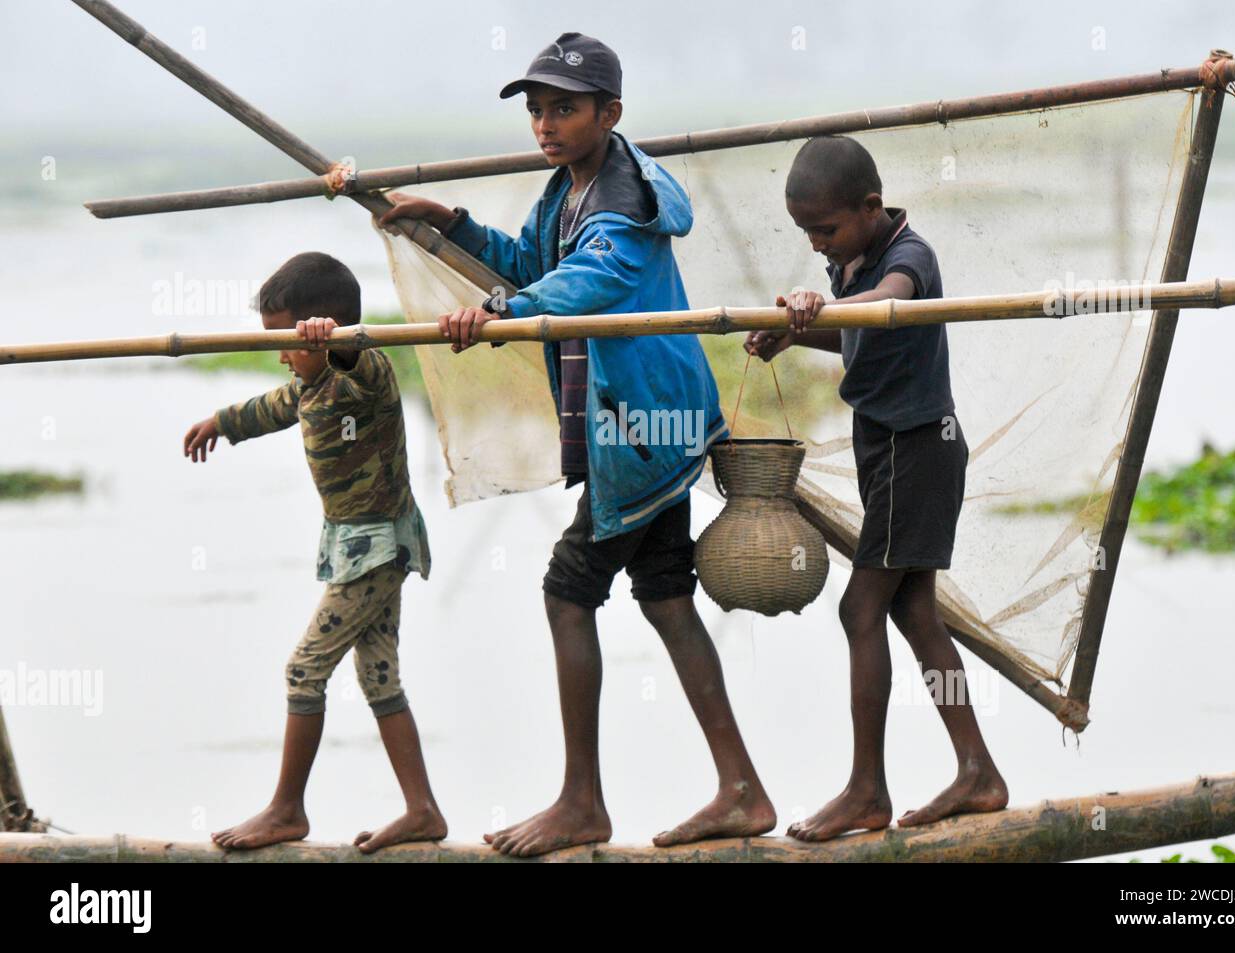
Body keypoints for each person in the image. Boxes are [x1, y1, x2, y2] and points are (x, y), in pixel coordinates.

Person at [379, 33, 774, 857]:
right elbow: (530, 263)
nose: (546, 124)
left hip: (646, 420)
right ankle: (742, 789)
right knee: (665, 593)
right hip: (637, 416)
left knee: (568, 589)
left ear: (610, 113)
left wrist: (499, 315)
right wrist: (450, 222)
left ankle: (582, 801)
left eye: (564, 108)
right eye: (537, 110)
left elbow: (589, 280)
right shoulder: (569, 186)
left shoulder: (625, 197)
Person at [746, 136, 1008, 841]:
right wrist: (794, 335)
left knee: (861, 608)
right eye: (807, 234)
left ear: (870, 207)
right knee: (914, 613)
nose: (817, 246)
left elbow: (887, 305)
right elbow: (861, 333)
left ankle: (867, 789)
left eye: (824, 230)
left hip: (916, 451)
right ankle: (978, 770)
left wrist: (822, 307)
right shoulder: (853, 258)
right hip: (892, 448)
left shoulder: (906, 258)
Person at [182, 251, 444, 853]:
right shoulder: (309, 384)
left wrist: (337, 343)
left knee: (304, 669)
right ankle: (423, 810)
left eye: (290, 342)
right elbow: (269, 407)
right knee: (379, 678)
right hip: (356, 547)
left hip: (378, 548)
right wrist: (218, 422)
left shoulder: (363, 372)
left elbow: (357, 357)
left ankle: (286, 809)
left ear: (324, 334)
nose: (282, 355)